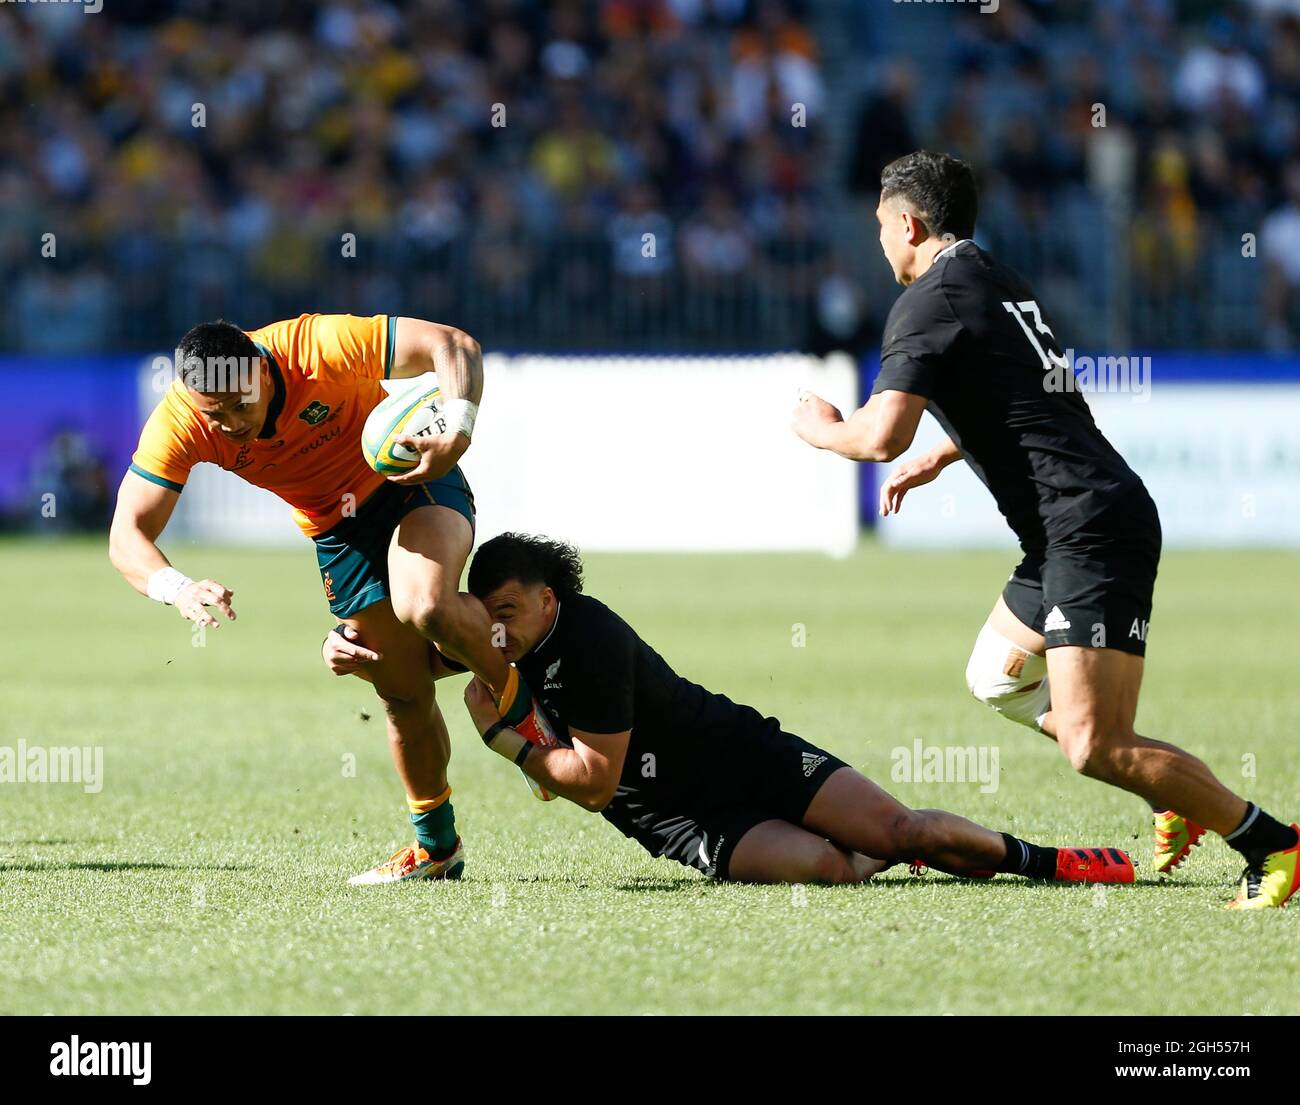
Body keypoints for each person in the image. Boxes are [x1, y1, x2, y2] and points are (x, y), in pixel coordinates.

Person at [792, 151, 1298, 909]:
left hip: (1088, 525)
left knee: (1096, 745)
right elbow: (1028, 396)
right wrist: (945, 450)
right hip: (1073, 525)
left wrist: (820, 429)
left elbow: (877, 436)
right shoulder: (995, 278)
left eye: (879, 227)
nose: (879, 242)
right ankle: (1168, 793)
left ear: (909, 222)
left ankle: (1273, 842)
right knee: (996, 674)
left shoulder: (928, 300)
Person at [109, 313, 553, 886]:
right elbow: (127, 536)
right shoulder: (182, 421)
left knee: (425, 605)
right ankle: (436, 849)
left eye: (239, 406)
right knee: (400, 689)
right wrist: (178, 587)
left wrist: (457, 430)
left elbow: (453, 344)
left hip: (410, 481)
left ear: (263, 371)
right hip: (335, 531)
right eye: (212, 414)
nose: (230, 425)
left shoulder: (315, 345)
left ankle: (527, 719)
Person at [456, 532, 1134, 888]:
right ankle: (880, 853)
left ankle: (1054, 862)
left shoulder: (589, 643)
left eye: (508, 613)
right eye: (485, 618)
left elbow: (594, 782)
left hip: (737, 748)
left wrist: (503, 741)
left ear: (548, 598)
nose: (496, 632)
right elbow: (428, 630)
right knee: (830, 869)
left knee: (902, 826)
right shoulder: (500, 640)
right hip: (681, 815)